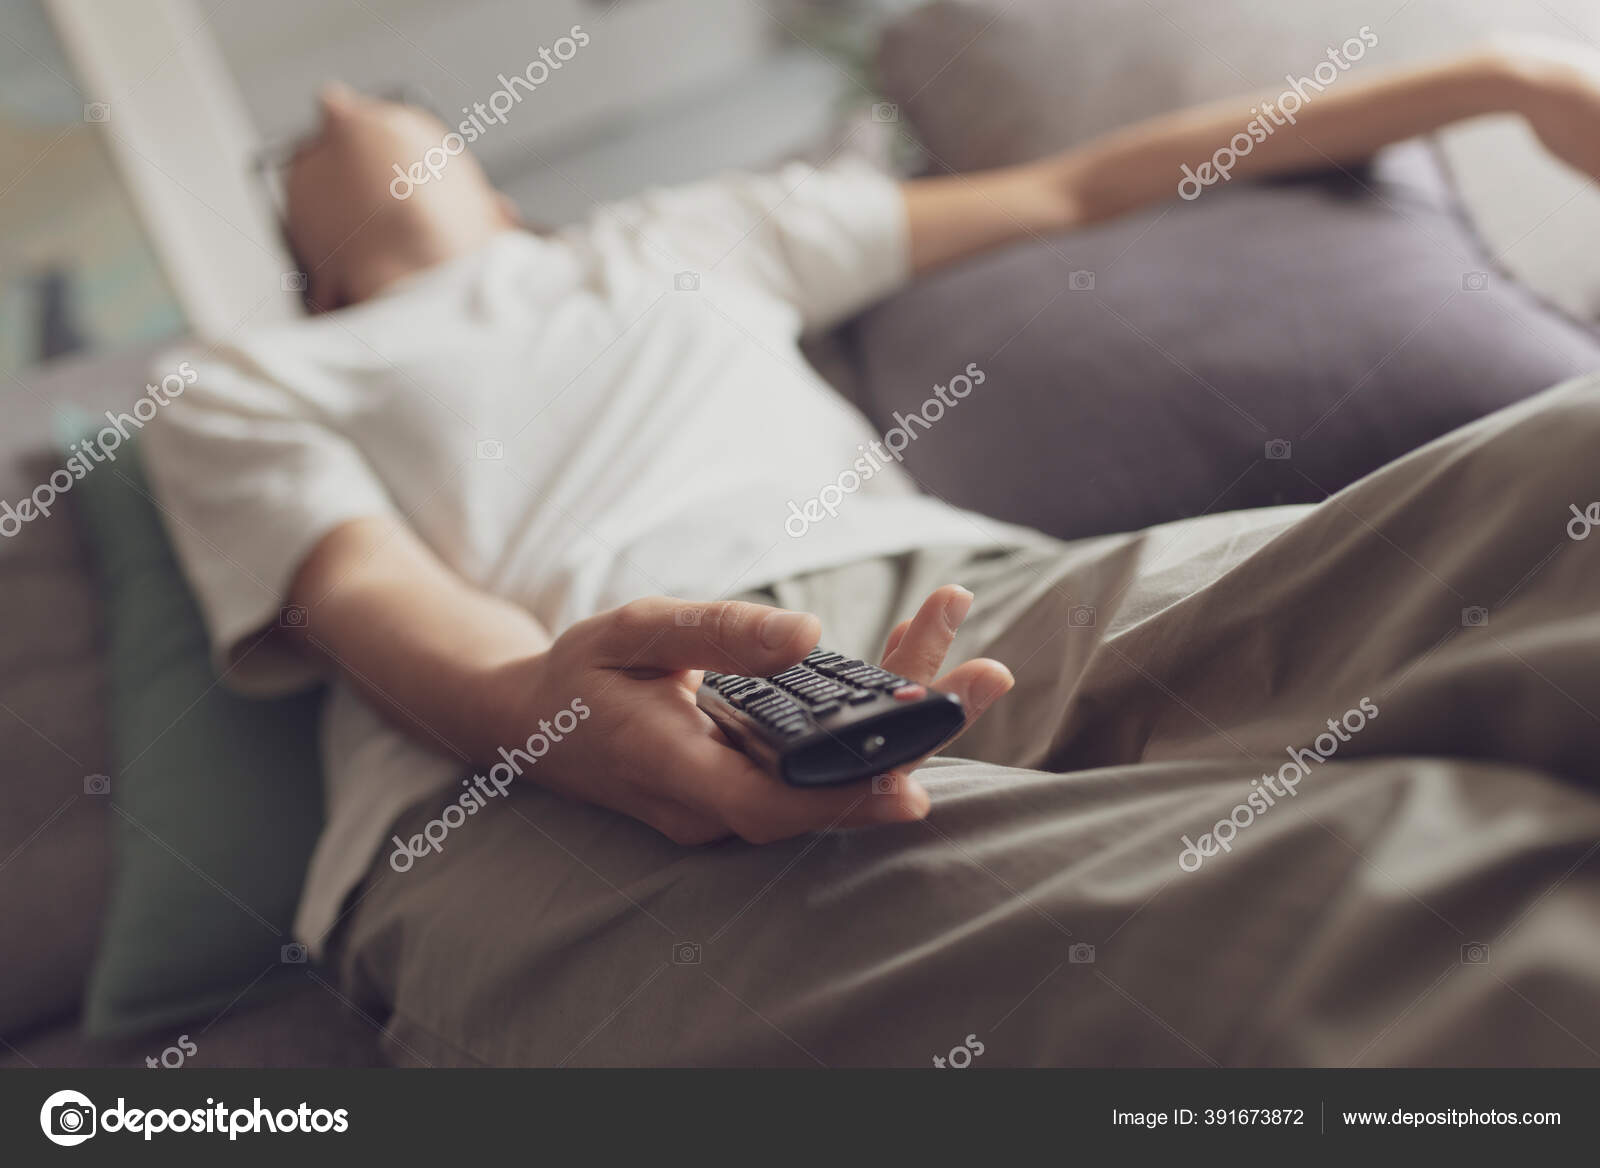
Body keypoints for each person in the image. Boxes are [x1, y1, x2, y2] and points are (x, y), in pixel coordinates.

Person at [145, 41, 1600, 1066]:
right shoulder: (235, 378)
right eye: (301, 141)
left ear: (507, 193)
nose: (332, 96)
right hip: (519, 766)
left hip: (956, 602)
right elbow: (366, 595)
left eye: (377, 96)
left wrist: (1495, 79)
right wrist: (542, 712)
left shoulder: (688, 231)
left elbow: (1077, 189)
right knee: (1324, 919)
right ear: (312, 269)